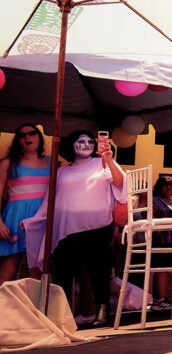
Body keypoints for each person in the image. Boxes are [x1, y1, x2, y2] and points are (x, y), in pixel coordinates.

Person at [24, 130, 126, 327]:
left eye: (90, 141)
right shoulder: (62, 171)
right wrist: (35, 219)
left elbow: (120, 183)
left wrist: (109, 160)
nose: (86, 144)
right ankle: (62, 315)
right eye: (81, 141)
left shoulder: (102, 163)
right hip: (66, 229)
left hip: (97, 228)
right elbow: (51, 200)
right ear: (72, 145)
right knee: (63, 271)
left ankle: (102, 309)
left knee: (99, 271)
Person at [0, 123, 52, 283]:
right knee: (9, 269)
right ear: (17, 140)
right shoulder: (8, 163)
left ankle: (32, 308)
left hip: (41, 219)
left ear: (39, 137)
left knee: (36, 271)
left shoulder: (52, 163)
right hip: (14, 218)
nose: (27, 137)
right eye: (22, 135)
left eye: (32, 133)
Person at [138, 175, 172, 310]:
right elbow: (147, 216)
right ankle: (159, 299)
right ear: (160, 186)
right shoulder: (154, 200)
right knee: (162, 269)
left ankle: (166, 298)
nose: (169, 188)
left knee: (171, 270)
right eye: (166, 185)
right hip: (162, 240)